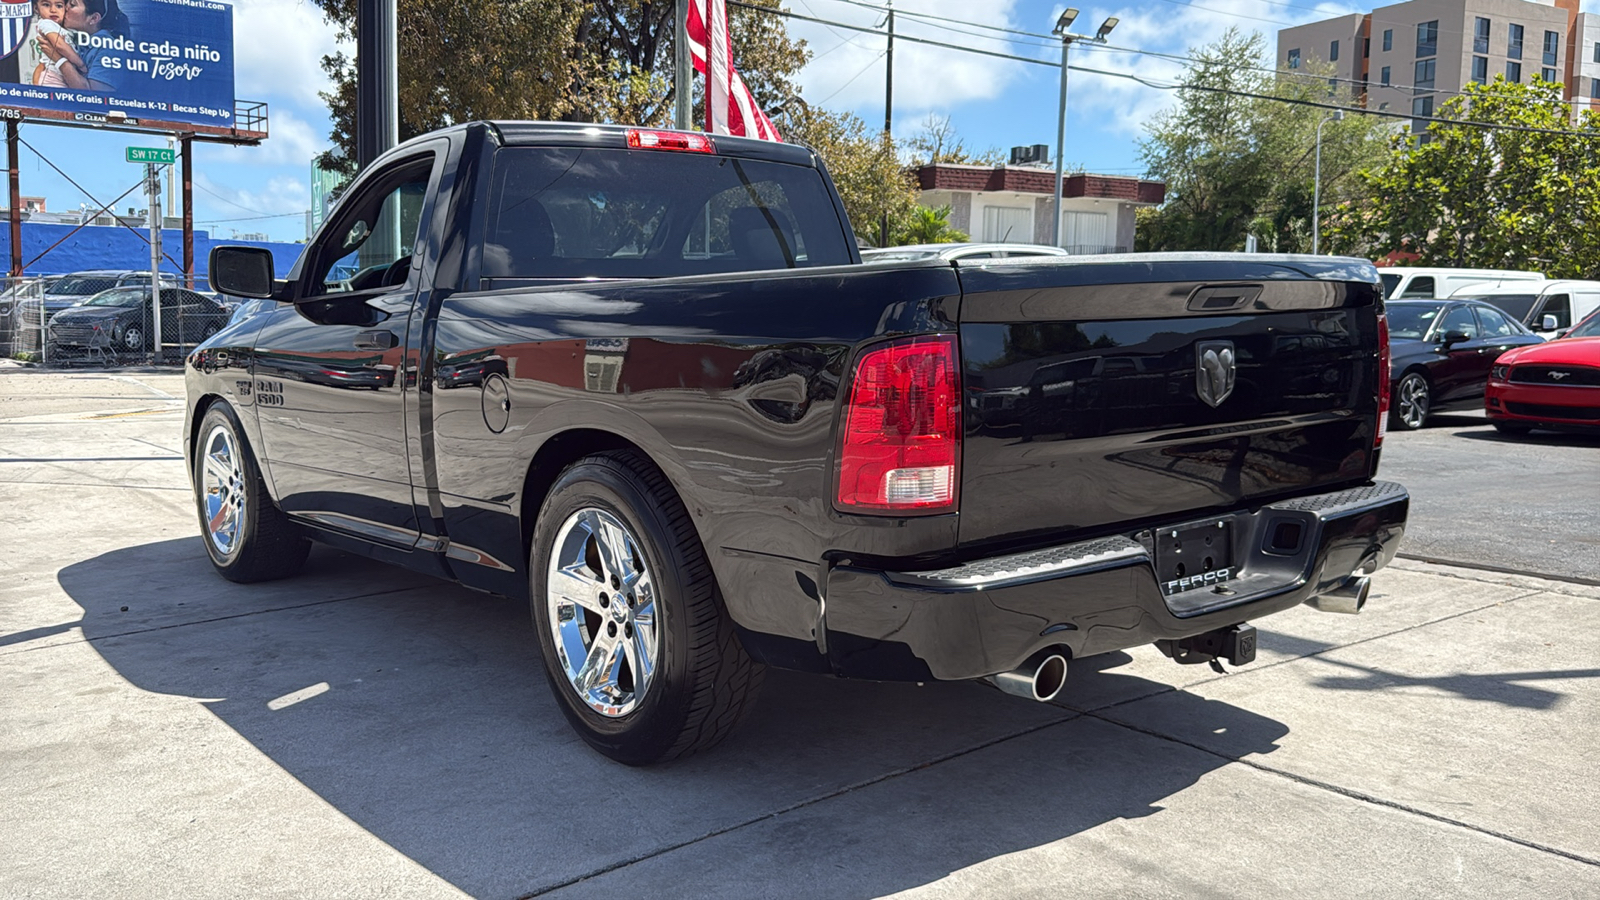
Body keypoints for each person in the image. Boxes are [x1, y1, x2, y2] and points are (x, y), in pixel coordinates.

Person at [45, 0, 129, 92]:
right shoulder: (78, 40)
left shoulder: (111, 50)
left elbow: (94, 97)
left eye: (72, 5)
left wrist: (60, 60)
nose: (65, 7)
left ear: (94, 18)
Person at [27, 0, 87, 88]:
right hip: (54, 79)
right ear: (36, 8)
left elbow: (41, 64)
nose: (53, 10)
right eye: (46, 5)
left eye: (59, 6)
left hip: (65, 78)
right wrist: (80, 64)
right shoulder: (46, 23)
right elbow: (59, 45)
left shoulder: (63, 29)